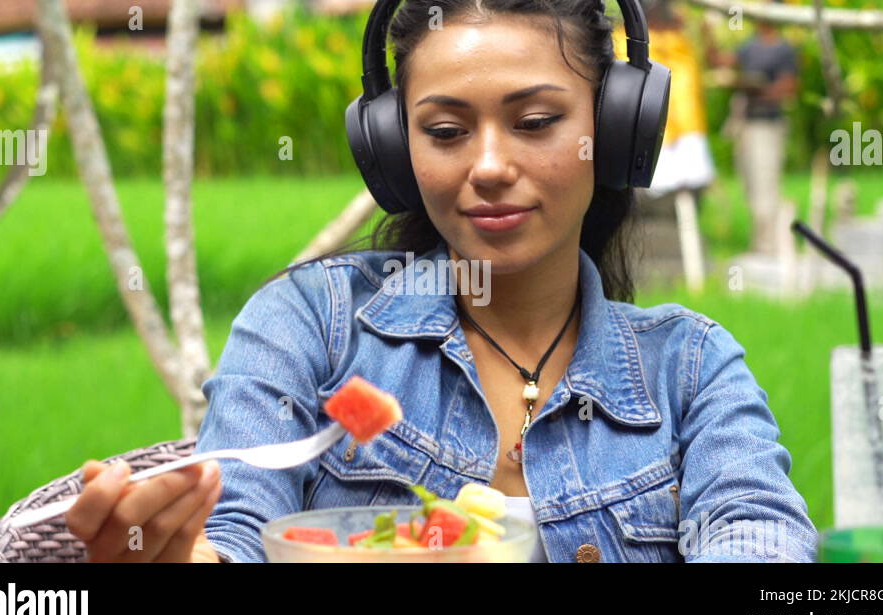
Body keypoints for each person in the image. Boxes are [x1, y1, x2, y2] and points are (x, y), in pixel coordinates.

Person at [66, 0, 818, 563]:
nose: (488, 166)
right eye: (447, 132)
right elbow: (233, 530)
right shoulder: (310, 327)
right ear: (395, 150)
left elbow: (759, 538)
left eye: (535, 121)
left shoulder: (692, 370)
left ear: (616, 130)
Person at [730, 5, 799, 257]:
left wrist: (761, 91)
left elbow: (790, 86)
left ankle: (770, 246)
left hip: (768, 125)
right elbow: (725, 62)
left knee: (766, 183)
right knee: (750, 183)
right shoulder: (749, 47)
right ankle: (760, 242)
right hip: (747, 125)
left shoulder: (783, 49)